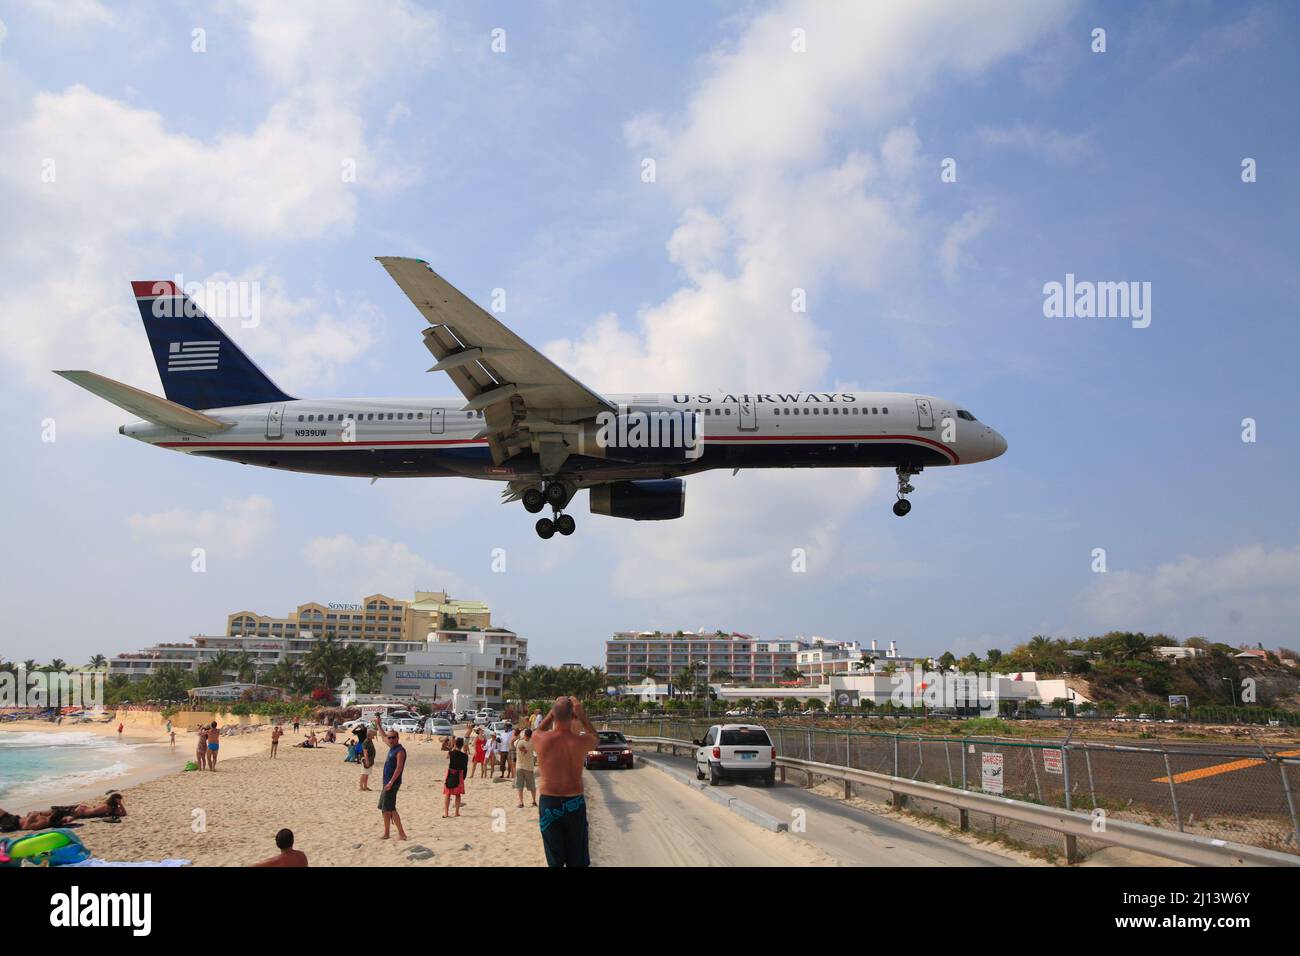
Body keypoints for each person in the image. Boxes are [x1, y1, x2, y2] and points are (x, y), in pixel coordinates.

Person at [532, 697, 598, 867]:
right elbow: (595, 738)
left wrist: (550, 715)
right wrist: (582, 716)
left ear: (554, 715)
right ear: (572, 715)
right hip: (574, 802)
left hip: (549, 802)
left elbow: (537, 730)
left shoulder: (540, 739)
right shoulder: (580, 741)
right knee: (577, 857)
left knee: (554, 858)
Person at [373, 716, 407, 840]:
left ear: (397, 738)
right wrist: (378, 724)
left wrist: (391, 782)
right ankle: (387, 833)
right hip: (386, 782)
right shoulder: (392, 747)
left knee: (391, 808)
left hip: (392, 783)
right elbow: (383, 737)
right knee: (384, 808)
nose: (391, 739)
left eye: (393, 737)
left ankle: (402, 834)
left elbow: (399, 768)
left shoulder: (400, 751)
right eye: (390, 737)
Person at [443, 737, 468, 817]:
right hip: (459, 774)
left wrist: (453, 746)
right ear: (462, 745)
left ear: (455, 744)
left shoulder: (451, 753)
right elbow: (465, 767)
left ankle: (446, 813)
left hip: (450, 773)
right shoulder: (465, 756)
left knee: (448, 794)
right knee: (457, 794)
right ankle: (456, 812)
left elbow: (447, 757)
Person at [513, 727, 537, 808]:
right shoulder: (532, 743)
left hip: (519, 766)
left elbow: (514, 742)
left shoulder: (519, 742)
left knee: (520, 785)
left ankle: (521, 802)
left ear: (524, 734)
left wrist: (520, 736)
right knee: (532, 785)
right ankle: (534, 801)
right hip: (529, 767)